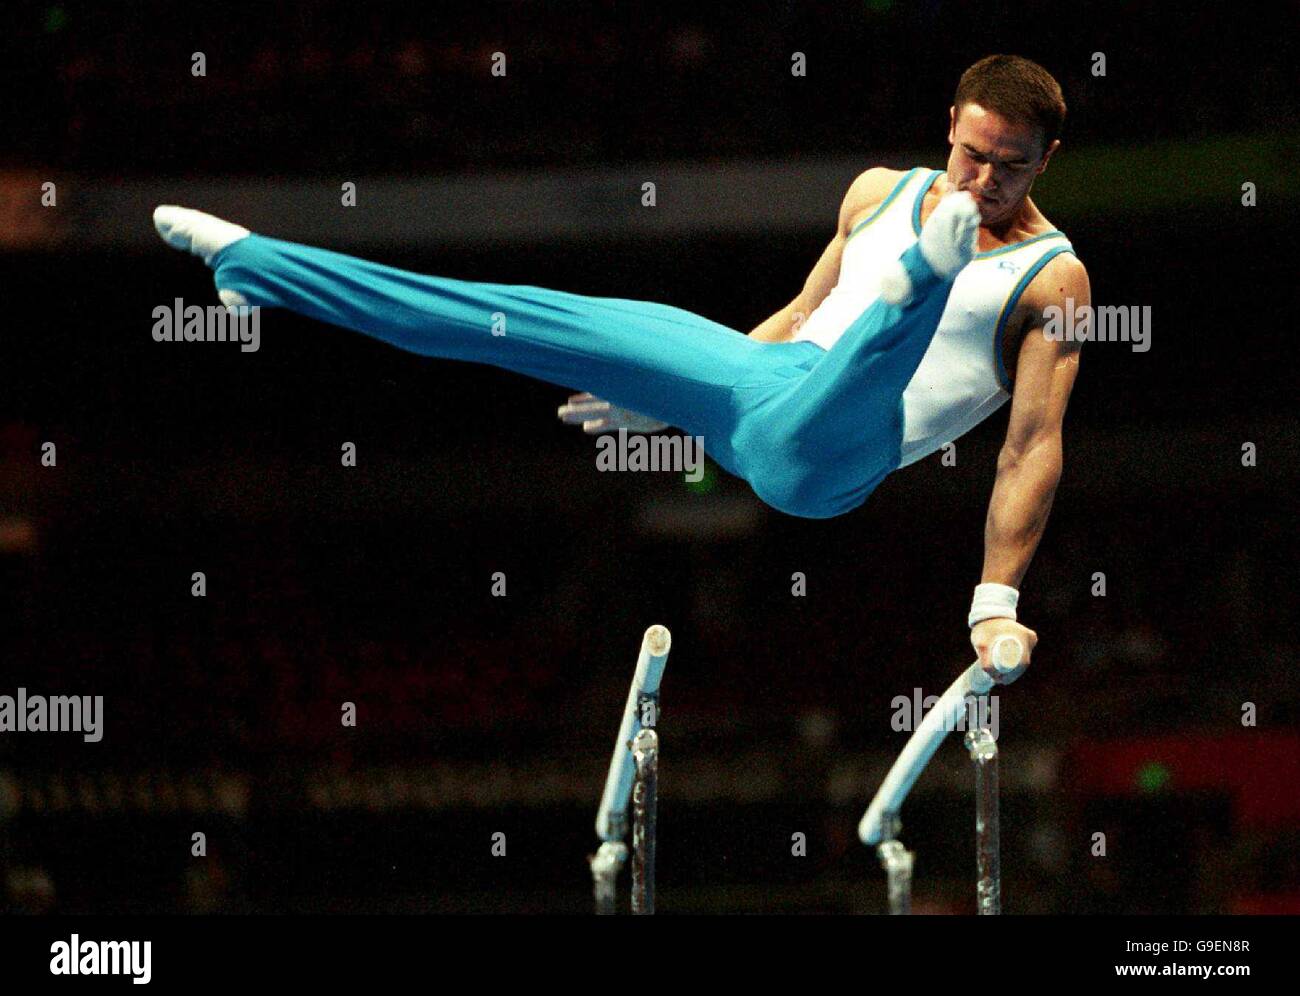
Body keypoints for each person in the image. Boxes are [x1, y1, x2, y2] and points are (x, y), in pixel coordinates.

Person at [153, 54, 1086, 669]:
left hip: (836, 459)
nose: (982, 179)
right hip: (759, 388)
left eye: (1009, 167)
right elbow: (804, 313)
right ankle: (258, 266)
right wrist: (670, 396)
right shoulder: (879, 190)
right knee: (528, 320)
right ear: (951, 125)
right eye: (971, 155)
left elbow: (1029, 448)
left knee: (868, 362)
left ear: (1045, 161)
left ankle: (929, 278)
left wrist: (992, 602)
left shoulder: (1057, 281)